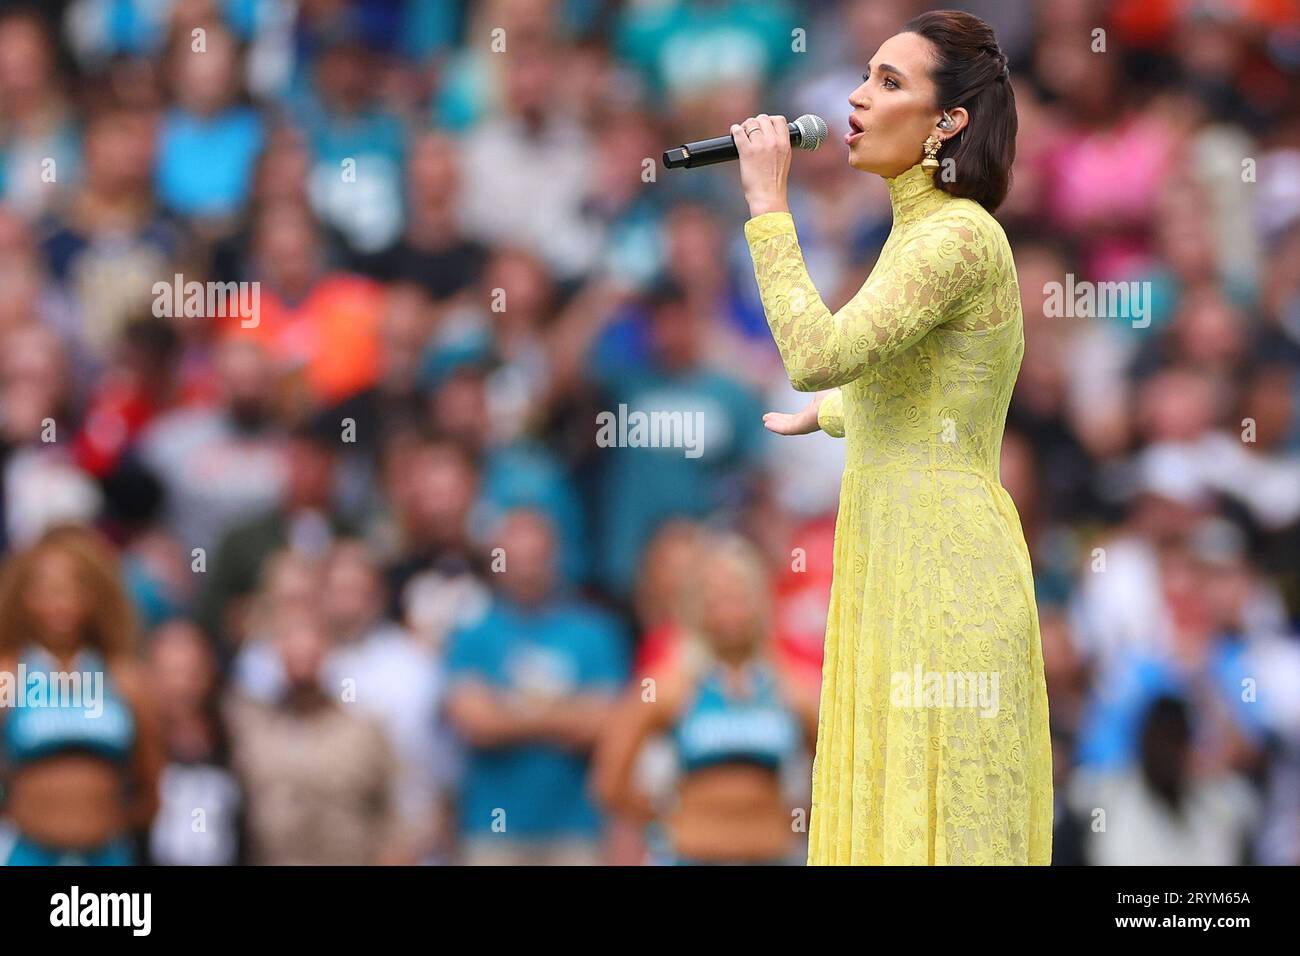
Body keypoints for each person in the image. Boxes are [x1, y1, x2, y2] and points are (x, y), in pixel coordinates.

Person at [731, 10, 1052, 864]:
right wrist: (843, 416)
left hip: (945, 574)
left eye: (889, 82)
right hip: (895, 560)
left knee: (944, 821)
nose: (857, 96)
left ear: (949, 122)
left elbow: (818, 353)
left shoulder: (954, 236)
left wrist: (768, 205)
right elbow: (933, 389)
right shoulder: (921, 232)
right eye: (867, 75)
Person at [593, 533, 817, 865]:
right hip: (689, 854)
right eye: (717, 597)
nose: (729, 610)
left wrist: (795, 820)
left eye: (739, 596)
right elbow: (610, 780)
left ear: (761, 601)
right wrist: (666, 819)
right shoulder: (672, 684)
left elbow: (840, 773)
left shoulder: (790, 686)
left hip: (772, 855)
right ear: (697, 605)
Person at [0, 525, 162, 865]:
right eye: (45, 590)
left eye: (74, 588)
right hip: (25, 853)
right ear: (23, 596)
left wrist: (101, 823)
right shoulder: (8, 677)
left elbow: (150, 786)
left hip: (108, 856)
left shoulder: (126, 680)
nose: (60, 603)